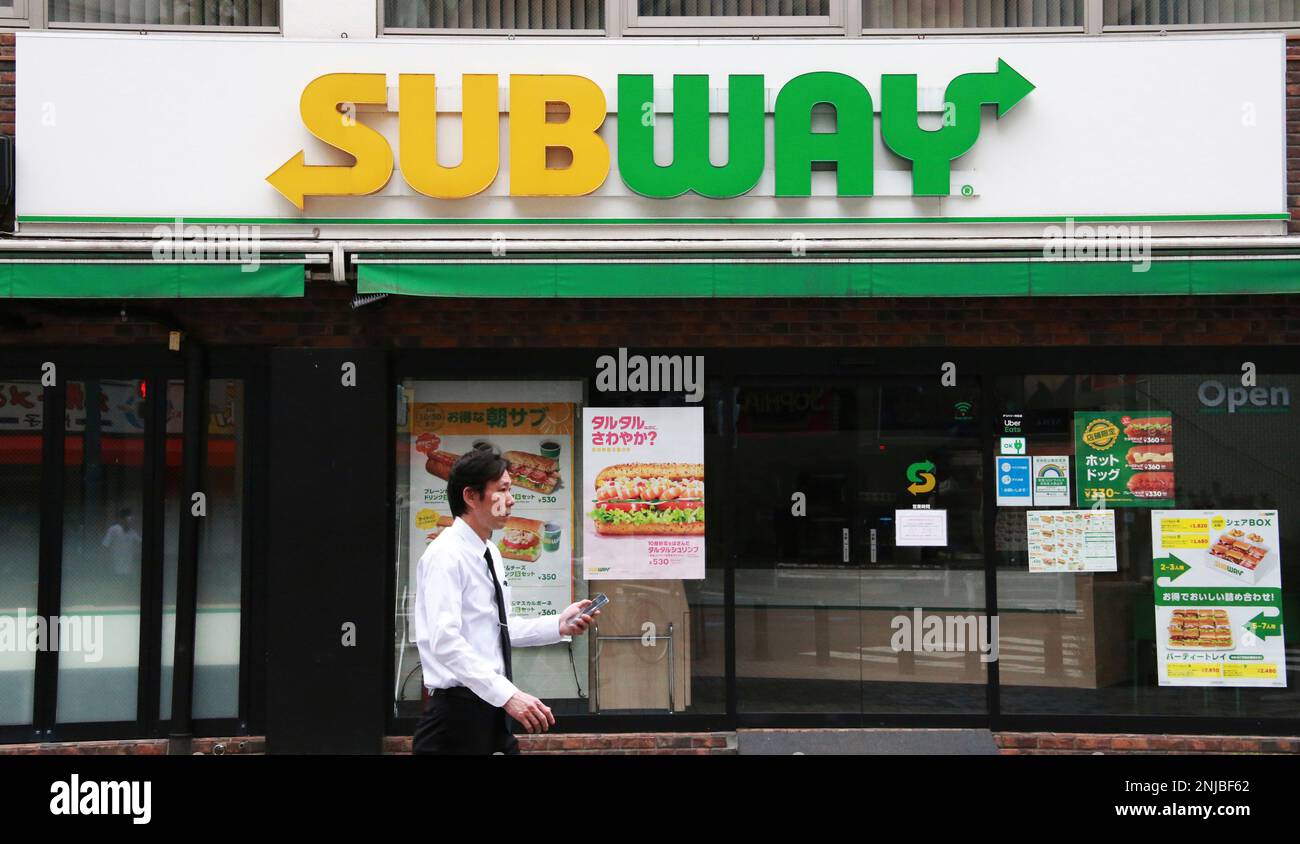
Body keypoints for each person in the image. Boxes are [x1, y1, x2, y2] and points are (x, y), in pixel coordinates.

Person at [412, 443, 598, 755]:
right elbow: (444, 641)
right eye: (502, 490)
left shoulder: (490, 552)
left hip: (489, 707)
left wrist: (558, 625)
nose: (512, 500)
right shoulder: (444, 556)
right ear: (471, 497)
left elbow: (497, 628)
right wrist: (508, 695)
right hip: (456, 718)